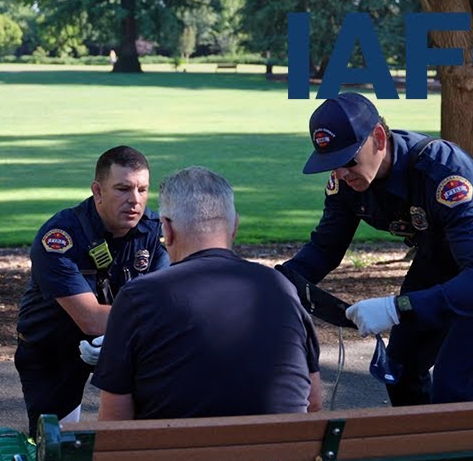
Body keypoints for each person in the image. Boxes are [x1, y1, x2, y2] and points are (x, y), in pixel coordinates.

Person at [282, 92, 473, 406]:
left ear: (378, 137)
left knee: (453, 387)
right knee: (398, 368)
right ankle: (425, 446)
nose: (341, 173)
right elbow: (324, 249)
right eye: (331, 164)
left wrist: (395, 308)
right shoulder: (347, 183)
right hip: (439, 256)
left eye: (348, 159)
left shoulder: (442, 170)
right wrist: (277, 282)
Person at [91, 167, 322, 420]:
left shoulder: (139, 297)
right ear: (234, 226)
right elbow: (312, 400)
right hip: (282, 455)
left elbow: (114, 425)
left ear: (166, 229)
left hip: (173, 457)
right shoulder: (281, 287)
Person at [14, 146, 168, 434]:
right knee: (55, 445)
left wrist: (124, 339)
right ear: (97, 191)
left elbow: (169, 300)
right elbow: (92, 320)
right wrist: (149, 319)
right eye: (122, 189)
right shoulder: (60, 237)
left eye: (142, 189)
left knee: (145, 435)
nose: (134, 200)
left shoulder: (155, 231)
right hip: (54, 349)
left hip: (125, 344)